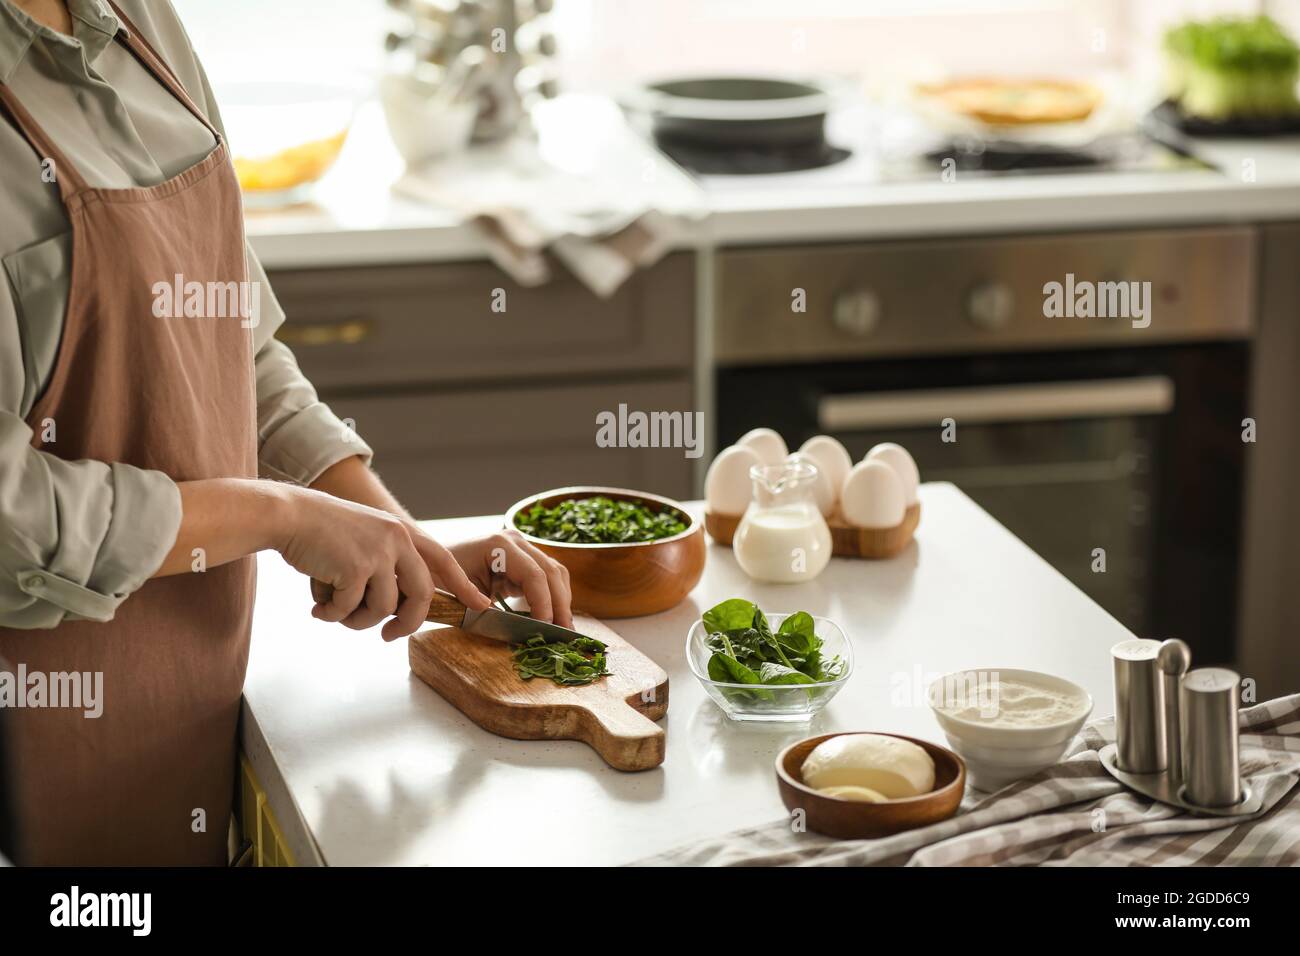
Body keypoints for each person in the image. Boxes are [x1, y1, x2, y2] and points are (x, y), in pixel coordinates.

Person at [0, 0, 572, 865]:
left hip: (189, 701)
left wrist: (403, 543)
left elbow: (233, 345)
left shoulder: (141, 18)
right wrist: (283, 518)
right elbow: (16, 518)